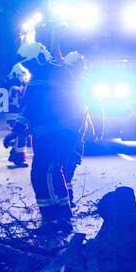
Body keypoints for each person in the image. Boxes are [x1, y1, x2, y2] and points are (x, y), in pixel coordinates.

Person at [22, 44, 85, 230]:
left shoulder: (57, 76)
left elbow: (74, 107)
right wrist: (18, 129)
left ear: (40, 59)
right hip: (47, 136)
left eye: (29, 63)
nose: (27, 67)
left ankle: (60, 216)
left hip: (58, 136)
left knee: (49, 172)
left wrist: (69, 134)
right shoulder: (40, 78)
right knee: (42, 174)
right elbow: (30, 107)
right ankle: (51, 216)